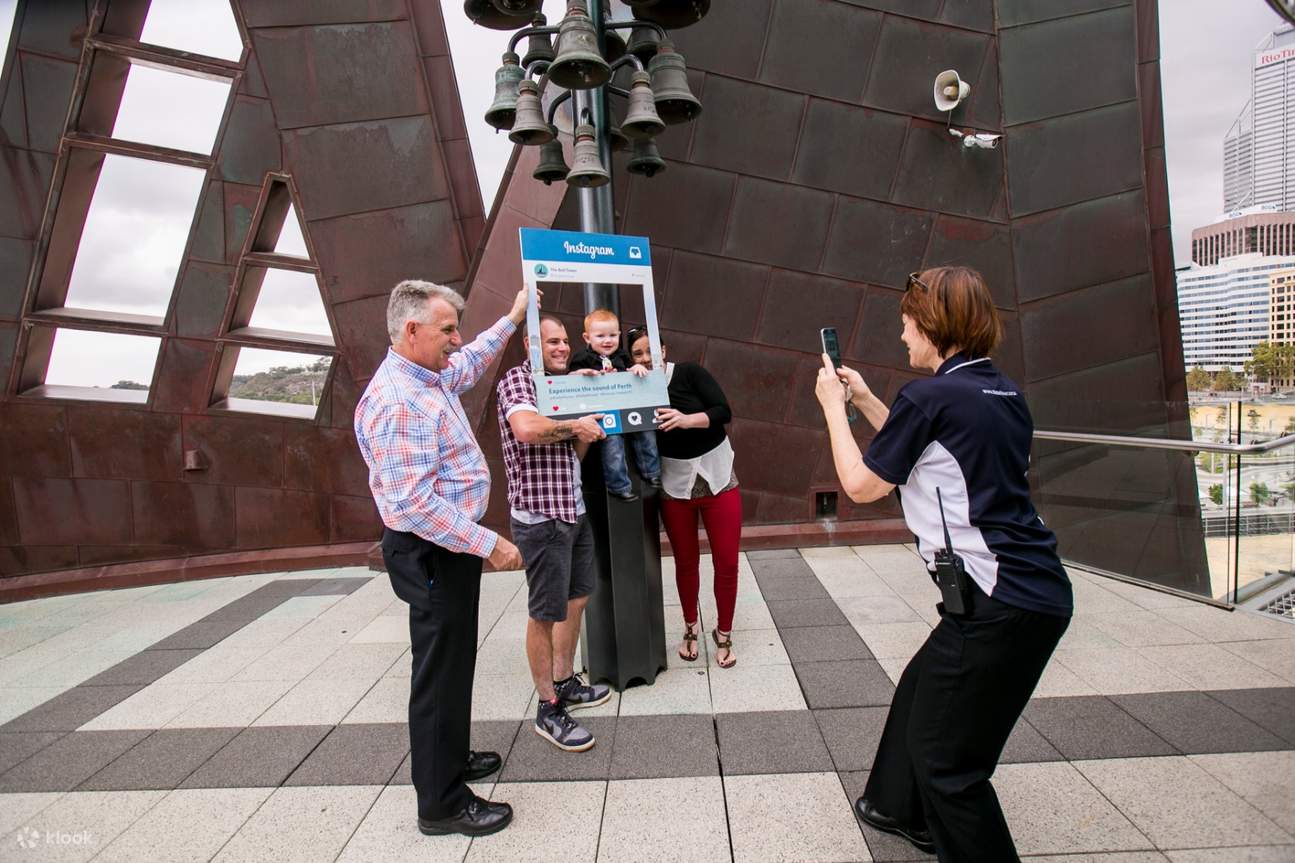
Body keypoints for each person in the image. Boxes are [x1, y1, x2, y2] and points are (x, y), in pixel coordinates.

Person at [812, 266, 1073, 862]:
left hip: (995, 602)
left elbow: (860, 484)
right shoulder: (1001, 392)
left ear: (933, 323)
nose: (903, 337)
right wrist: (868, 398)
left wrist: (833, 405)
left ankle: (933, 820)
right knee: (920, 687)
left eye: (907, 324)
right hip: (1034, 590)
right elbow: (929, 451)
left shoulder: (930, 396)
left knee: (949, 767)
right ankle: (895, 807)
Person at [354, 280, 528, 838]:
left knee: (453, 664)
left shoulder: (425, 374)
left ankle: (450, 758)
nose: (457, 339)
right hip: (432, 549)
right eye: (447, 329)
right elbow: (412, 503)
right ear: (411, 331)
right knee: (438, 674)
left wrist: (513, 316)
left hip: (445, 548)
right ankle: (442, 804)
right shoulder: (398, 400)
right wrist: (490, 544)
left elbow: (470, 363)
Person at [496, 314, 614, 751]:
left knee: (577, 598)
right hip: (540, 517)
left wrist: (587, 429)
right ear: (530, 345)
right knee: (544, 613)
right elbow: (526, 429)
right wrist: (575, 425)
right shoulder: (518, 381)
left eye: (565, 341)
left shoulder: (563, 386)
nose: (562, 348)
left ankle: (564, 682)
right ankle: (548, 707)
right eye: (552, 341)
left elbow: (573, 451)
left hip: (571, 506)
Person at [628, 325, 741, 669]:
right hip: (675, 486)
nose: (647, 358)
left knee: (727, 562)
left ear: (665, 348)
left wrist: (687, 418)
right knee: (685, 562)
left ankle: (723, 634)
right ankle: (691, 628)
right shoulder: (635, 386)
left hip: (718, 478)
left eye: (651, 349)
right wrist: (630, 382)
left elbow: (724, 411)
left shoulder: (690, 373)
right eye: (637, 353)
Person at [569, 308, 661, 501]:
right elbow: (571, 378)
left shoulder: (621, 356)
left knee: (646, 433)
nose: (607, 340)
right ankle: (619, 486)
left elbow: (630, 368)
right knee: (613, 446)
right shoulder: (582, 358)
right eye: (600, 336)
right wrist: (582, 374)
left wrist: (636, 367)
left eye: (612, 335)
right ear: (587, 338)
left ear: (619, 335)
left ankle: (652, 472)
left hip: (628, 406)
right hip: (604, 411)